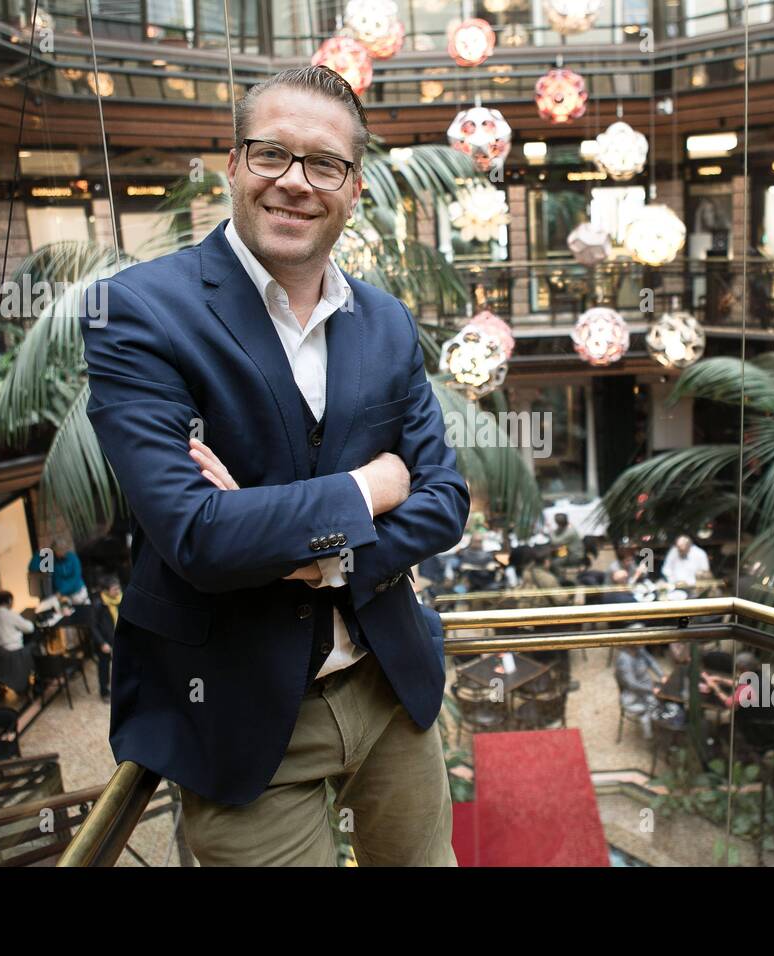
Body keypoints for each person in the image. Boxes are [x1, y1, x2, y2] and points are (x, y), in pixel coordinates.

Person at [80, 66, 469, 866]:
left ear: (353, 187)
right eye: (271, 155)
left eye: (323, 164)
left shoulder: (386, 323)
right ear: (233, 165)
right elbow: (198, 537)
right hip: (237, 713)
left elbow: (445, 500)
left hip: (389, 687)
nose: (295, 183)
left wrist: (312, 556)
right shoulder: (140, 312)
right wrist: (370, 486)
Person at [87, 575, 123, 702]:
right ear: (106, 590)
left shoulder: (120, 599)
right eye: (115, 589)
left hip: (119, 639)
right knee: (104, 667)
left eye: (118, 588)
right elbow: (93, 626)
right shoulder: (98, 604)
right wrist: (102, 643)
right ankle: (104, 692)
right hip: (105, 641)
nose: (118, 591)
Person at [548, 512, 584, 579]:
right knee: (552, 555)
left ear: (558, 523)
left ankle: (560, 580)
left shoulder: (570, 532)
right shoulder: (567, 527)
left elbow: (555, 541)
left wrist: (550, 531)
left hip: (575, 556)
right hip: (567, 551)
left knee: (554, 563)